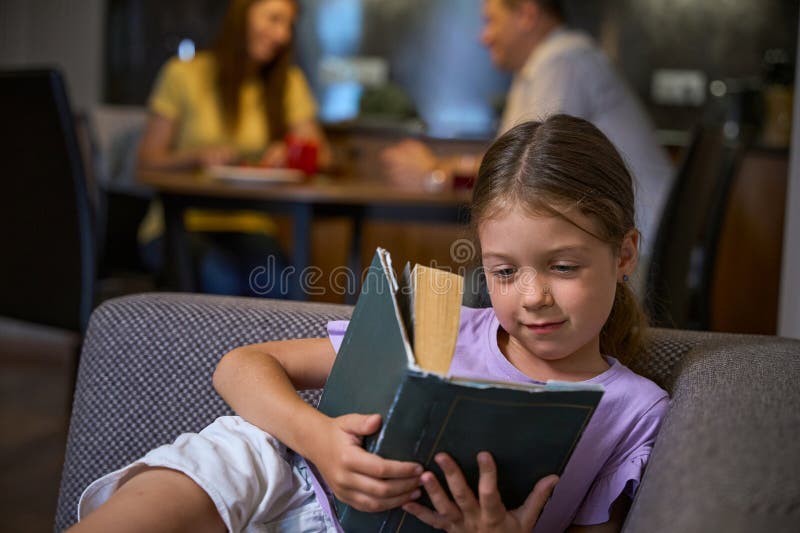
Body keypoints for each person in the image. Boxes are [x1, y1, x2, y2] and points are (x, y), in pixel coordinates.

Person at [71, 115, 668, 533]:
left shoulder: (634, 412)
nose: (533, 296)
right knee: (207, 473)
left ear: (623, 255)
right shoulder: (445, 325)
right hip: (287, 473)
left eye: (564, 267)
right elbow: (241, 366)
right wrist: (320, 442)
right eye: (504, 271)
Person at [382, 0, 673, 274]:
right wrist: (441, 172)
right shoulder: (543, 64)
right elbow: (510, 166)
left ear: (527, 15)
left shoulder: (562, 61)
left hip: (631, 252)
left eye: (490, 21)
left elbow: (530, 175)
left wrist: (436, 176)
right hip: (620, 241)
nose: (484, 37)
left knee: (478, 283)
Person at [137, 0, 331, 297]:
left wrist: (290, 150)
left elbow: (322, 153)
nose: (282, 36)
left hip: (249, 223)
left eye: (288, 26)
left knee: (282, 284)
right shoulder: (184, 75)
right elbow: (146, 161)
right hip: (179, 222)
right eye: (274, 19)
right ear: (243, 15)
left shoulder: (288, 83)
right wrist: (197, 156)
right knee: (222, 280)